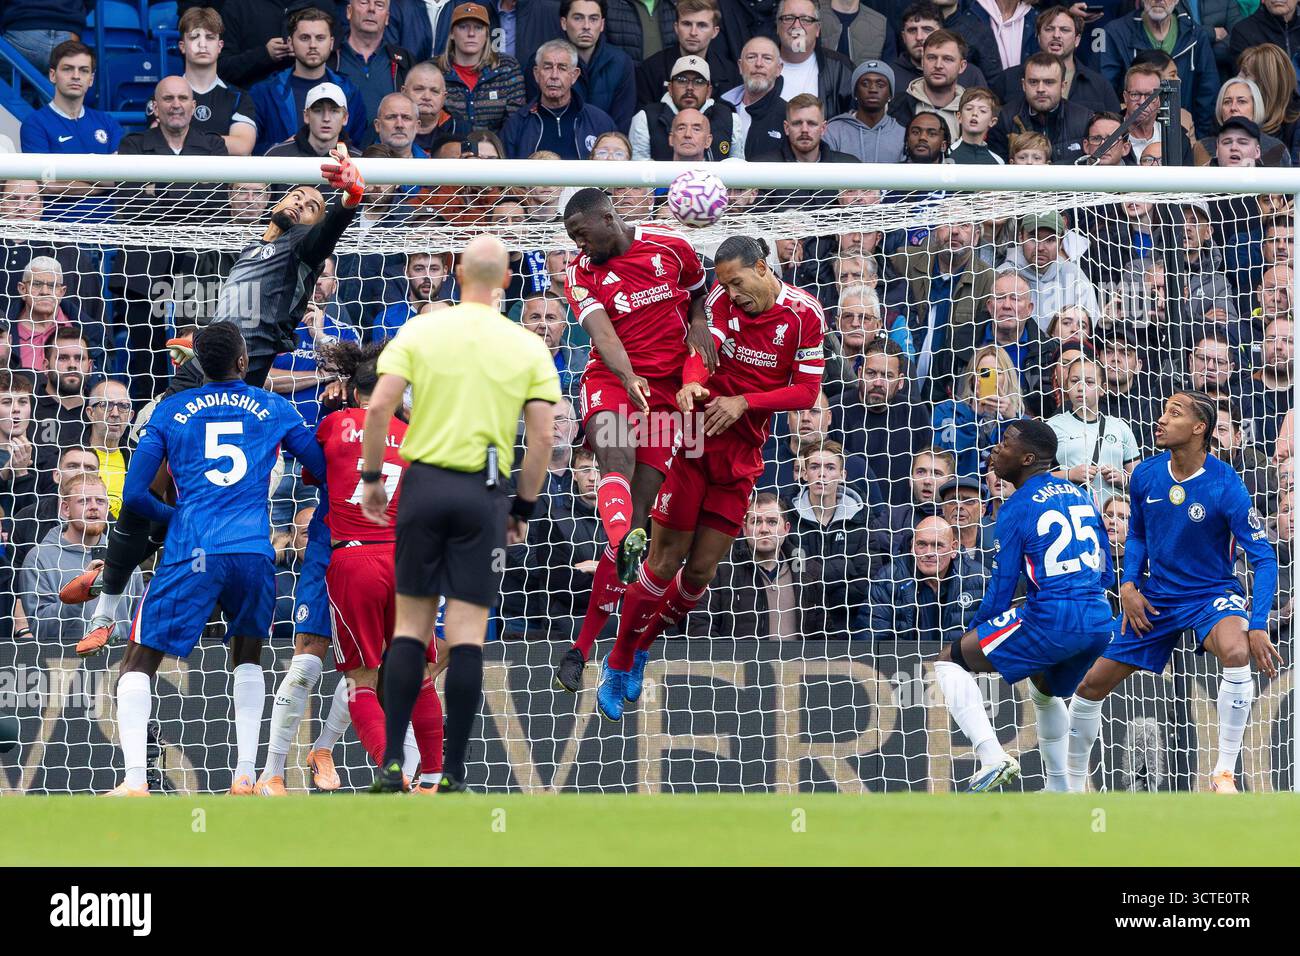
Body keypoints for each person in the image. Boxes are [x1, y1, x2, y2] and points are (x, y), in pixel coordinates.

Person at [60, 147, 368, 657]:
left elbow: (325, 236)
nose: (298, 202)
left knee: (154, 486)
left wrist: (347, 198)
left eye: (309, 203)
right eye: (296, 194)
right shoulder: (257, 249)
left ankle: (105, 597)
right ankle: (106, 594)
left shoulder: (299, 250)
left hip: (226, 395)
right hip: (203, 377)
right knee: (166, 499)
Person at [586, 236, 825, 716]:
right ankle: (617, 660)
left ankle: (642, 646)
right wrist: (693, 378)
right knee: (663, 559)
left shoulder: (805, 314)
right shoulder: (717, 301)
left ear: (762, 268)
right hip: (693, 445)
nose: (731, 293)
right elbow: (703, 347)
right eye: (724, 284)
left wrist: (745, 403)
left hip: (742, 455)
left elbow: (806, 390)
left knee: (699, 575)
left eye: (738, 282)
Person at [358, 235, 559, 793]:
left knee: (410, 628)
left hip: (423, 485)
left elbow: (378, 405)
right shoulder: (526, 344)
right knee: (466, 633)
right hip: (484, 491)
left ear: (455, 272)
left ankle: (392, 764)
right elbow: (542, 438)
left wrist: (373, 479)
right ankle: (452, 771)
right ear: (507, 282)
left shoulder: (422, 328)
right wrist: (523, 505)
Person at [101, 322, 329, 797]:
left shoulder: (170, 411)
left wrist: (178, 515)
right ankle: (245, 774)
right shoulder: (275, 407)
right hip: (252, 550)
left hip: (191, 550)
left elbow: (136, 495)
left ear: (200, 363)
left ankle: (135, 782)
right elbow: (321, 470)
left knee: (137, 662)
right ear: (244, 362)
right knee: (247, 654)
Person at [1069, 391, 1281, 794]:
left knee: (1236, 653)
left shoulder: (1226, 485)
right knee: (1091, 685)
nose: (1161, 419)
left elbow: (1266, 560)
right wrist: (1128, 584)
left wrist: (1257, 624)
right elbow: (1137, 535)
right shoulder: (1147, 475)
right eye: (1163, 409)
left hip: (1211, 595)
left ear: (1200, 428)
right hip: (1157, 597)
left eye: (1174, 413)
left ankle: (1223, 774)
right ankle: (1071, 785)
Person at [263, 340, 445, 795]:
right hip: (395, 558)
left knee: (364, 674)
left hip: (351, 556)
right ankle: (270, 772)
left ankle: (341, 753)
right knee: (320, 664)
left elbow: (318, 466)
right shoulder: (416, 435)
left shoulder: (333, 424)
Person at [551, 187, 716, 685]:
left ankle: (580, 650)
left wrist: (700, 323)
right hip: (612, 379)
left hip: (667, 394)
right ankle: (624, 541)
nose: (578, 244)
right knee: (613, 462)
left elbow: (696, 291)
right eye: (570, 236)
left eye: (582, 233)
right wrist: (626, 376)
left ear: (609, 218)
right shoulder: (581, 273)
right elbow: (601, 334)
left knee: (639, 512)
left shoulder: (671, 247)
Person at [933, 419, 1115, 792]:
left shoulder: (1014, 508)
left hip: (1052, 617)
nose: (995, 450)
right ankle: (1063, 788)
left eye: (1004, 445)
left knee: (948, 662)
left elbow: (1001, 589)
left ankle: (992, 756)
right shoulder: (1082, 494)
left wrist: (977, 630)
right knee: (1043, 689)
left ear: (1028, 458)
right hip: (1098, 617)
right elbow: (1106, 566)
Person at [116, 77, 230, 400]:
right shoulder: (132, 145)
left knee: (199, 356)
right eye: (168, 98)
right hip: (144, 269)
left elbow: (217, 203)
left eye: (183, 98)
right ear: (156, 106)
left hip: (200, 268)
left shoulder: (214, 146)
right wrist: (190, 191)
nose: (176, 104)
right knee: (145, 361)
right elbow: (130, 203)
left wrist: (158, 190)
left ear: (194, 106)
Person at [689, 493, 829, 639]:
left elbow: (825, 634)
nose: (764, 529)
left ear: (786, 529)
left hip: (800, 662)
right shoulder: (721, 570)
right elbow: (701, 628)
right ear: (744, 528)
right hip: (737, 661)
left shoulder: (808, 572)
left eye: (772, 522)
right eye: (756, 522)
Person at [249, 7, 369, 154]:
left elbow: (358, 148)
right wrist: (282, 149)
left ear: (331, 43)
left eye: (320, 38)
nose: (313, 45)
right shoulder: (264, 93)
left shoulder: (350, 92)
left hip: (335, 175)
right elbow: (251, 148)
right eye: (305, 38)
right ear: (290, 43)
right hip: (281, 175)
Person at [1101, 0, 1218, 135]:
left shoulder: (1195, 34)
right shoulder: (1116, 33)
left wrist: (1196, 140)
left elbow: (1208, 93)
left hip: (1183, 131)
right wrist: (1122, 136)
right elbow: (1106, 91)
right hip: (1132, 134)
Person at [867, 514, 986, 642]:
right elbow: (870, 642)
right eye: (922, 544)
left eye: (938, 545)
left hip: (957, 661)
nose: (929, 553)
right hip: (903, 661)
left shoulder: (980, 579)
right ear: (912, 547)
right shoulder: (887, 580)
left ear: (953, 548)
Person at [501, 39, 618, 159]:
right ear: (536, 74)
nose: (554, 76)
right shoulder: (517, 125)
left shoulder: (600, 122)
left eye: (562, 68)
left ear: (574, 75)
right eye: (547, 67)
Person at [1048, 356, 1141, 505]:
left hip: (1112, 518)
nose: (1080, 387)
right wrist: (1070, 474)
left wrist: (1122, 479)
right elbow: (1036, 479)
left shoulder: (1120, 427)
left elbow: (1139, 481)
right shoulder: (1052, 426)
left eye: (1089, 382)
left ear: (1103, 388)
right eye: (1074, 381)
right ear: (1066, 385)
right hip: (1070, 514)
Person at [997, 6, 1120, 115]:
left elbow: (1114, 129)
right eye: (1049, 29)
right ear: (1038, 37)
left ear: (1077, 40)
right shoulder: (1009, 79)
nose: (1056, 35)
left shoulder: (1099, 85)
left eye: (1064, 30)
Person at [175, 6, 259, 156]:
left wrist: (186, 140)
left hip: (225, 178)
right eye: (194, 37)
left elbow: (242, 147)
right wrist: (217, 141)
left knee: (250, 181)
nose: (202, 44)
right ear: (182, 46)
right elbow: (163, 143)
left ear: (220, 46)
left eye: (210, 37)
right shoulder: (165, 94)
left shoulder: (239, 98)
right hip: (177, 176)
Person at [629, 54, 745, 161]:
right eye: (682, 80)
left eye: (698, 81)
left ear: (709, 91)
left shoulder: (730, 119)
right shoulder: (645, 118)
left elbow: (737, 171)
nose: (690, 87)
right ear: (670, 88)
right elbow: (638, 171)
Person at [987, 52, 1092, 164]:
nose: (1040, 89)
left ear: (1063, 86)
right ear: (1023, 85)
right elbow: (997, 170)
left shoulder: (1084, 120)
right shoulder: (1005, 118)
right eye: (1033, 82)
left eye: (1049, 82)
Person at [439, 2, 526, 134]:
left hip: (496, 151)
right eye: (463, 27)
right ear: (452, 33)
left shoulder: (508, 68)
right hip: (449, 150)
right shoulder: (435, 70)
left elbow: (514, 124)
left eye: (478, 28)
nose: (471, 33)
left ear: (487, 34)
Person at [1002, 211, 1099, 326]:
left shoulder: (1074, 275)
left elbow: (1090, 325)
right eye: (1033, 238)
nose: (1041, 247)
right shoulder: (1002, 274)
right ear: (1020, 237)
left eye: (1050, 240)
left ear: (1061, 242)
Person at [636, 0, 741, 106]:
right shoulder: (651, 69)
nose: (693, 32)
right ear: (676, 28)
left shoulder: (730, 73)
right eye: (687, 24)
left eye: (702, 25)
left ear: (715, 32)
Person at [328, 0, 414, 123]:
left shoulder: (405, 62)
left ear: (387, 18)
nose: (371, 9)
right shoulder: (329, 57)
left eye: (379, 5)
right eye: (364, 2)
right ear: (349, 11)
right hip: (338, 141)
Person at [562, 0, 637, 131]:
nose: (586, 26)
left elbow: (622, 123)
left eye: (593, 19)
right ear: (564, 23)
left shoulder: (621, 62)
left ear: (602, 24)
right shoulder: (545, 63)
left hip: (608, 147)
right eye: (578, 18)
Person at [772, 0, 854, 117]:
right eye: (789, 18)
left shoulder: (841, 68)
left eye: (805, 19)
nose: (796, 26)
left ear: (818, 29)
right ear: (778, 26)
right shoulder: (758, 65)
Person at [889, 29, 968, 142]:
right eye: (931, 57)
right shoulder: (896, 106)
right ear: (922, 62)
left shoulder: (973, 111)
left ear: (962, 66)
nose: (938, 65)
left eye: (947, 59)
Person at [824, 60, 906, 164]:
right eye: (865, 84)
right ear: (855, 93)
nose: (872, 89)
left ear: (890, 95)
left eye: (880, 85)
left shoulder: (902, 133)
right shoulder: (833, 131)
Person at [721, 36, 788, 157]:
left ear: (779, 69)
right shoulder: (720, 109)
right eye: (751, 57)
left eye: (767, 58)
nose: (758, 64)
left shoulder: (788, 115)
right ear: (740, 66)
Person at [265, 81, 351, 158]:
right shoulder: (277, 155)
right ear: (306, 116)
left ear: (345, 118)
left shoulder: (359, 161)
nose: (326, 118)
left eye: (334, 111)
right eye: (318, 111)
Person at [403, 59, 469, 151]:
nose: (426, 97)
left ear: (444, 97)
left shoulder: (460, 128)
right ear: (404, 92)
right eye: (419, 89)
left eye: (434, 91)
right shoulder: (391, 125)